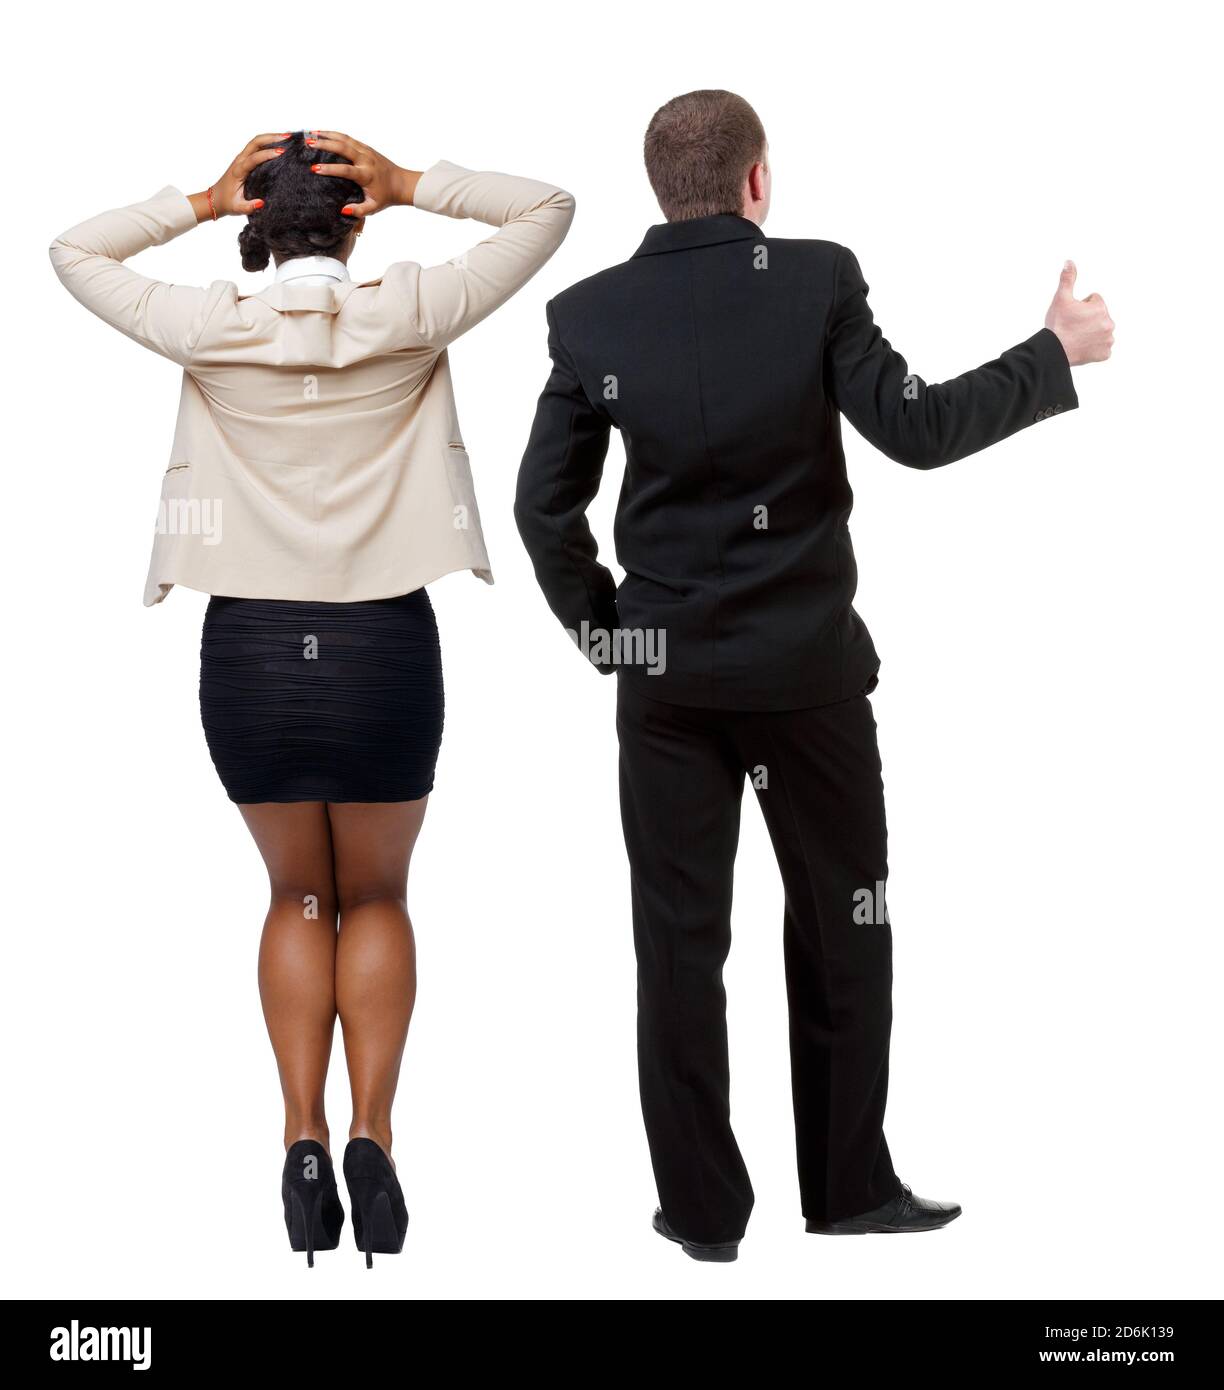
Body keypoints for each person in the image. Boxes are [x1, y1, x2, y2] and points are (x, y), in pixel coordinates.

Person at [515, 89, 1113, 1261]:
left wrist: (614, 641)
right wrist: (1056, 351)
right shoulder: (815, 279)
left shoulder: (592, 315)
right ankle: (847, 1190)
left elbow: (546, 509)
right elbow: (920, 429)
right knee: (848, 923)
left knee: (678, 948)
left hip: (669, 687)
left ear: (663, 188)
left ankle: (701, 1215)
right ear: (756, 182)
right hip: (808, 685)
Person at [50, 131, 574, 1266]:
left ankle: (299, 1132)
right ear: (355, 223)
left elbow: (73, 253)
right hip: (383, 644)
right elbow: (549, 210)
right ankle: (374, 1131)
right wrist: (412, 183)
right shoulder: (413, 309)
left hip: (248, 651)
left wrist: (195, 199)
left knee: (297, 892)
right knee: (376, 892)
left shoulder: (208, 325)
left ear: (257, 222)